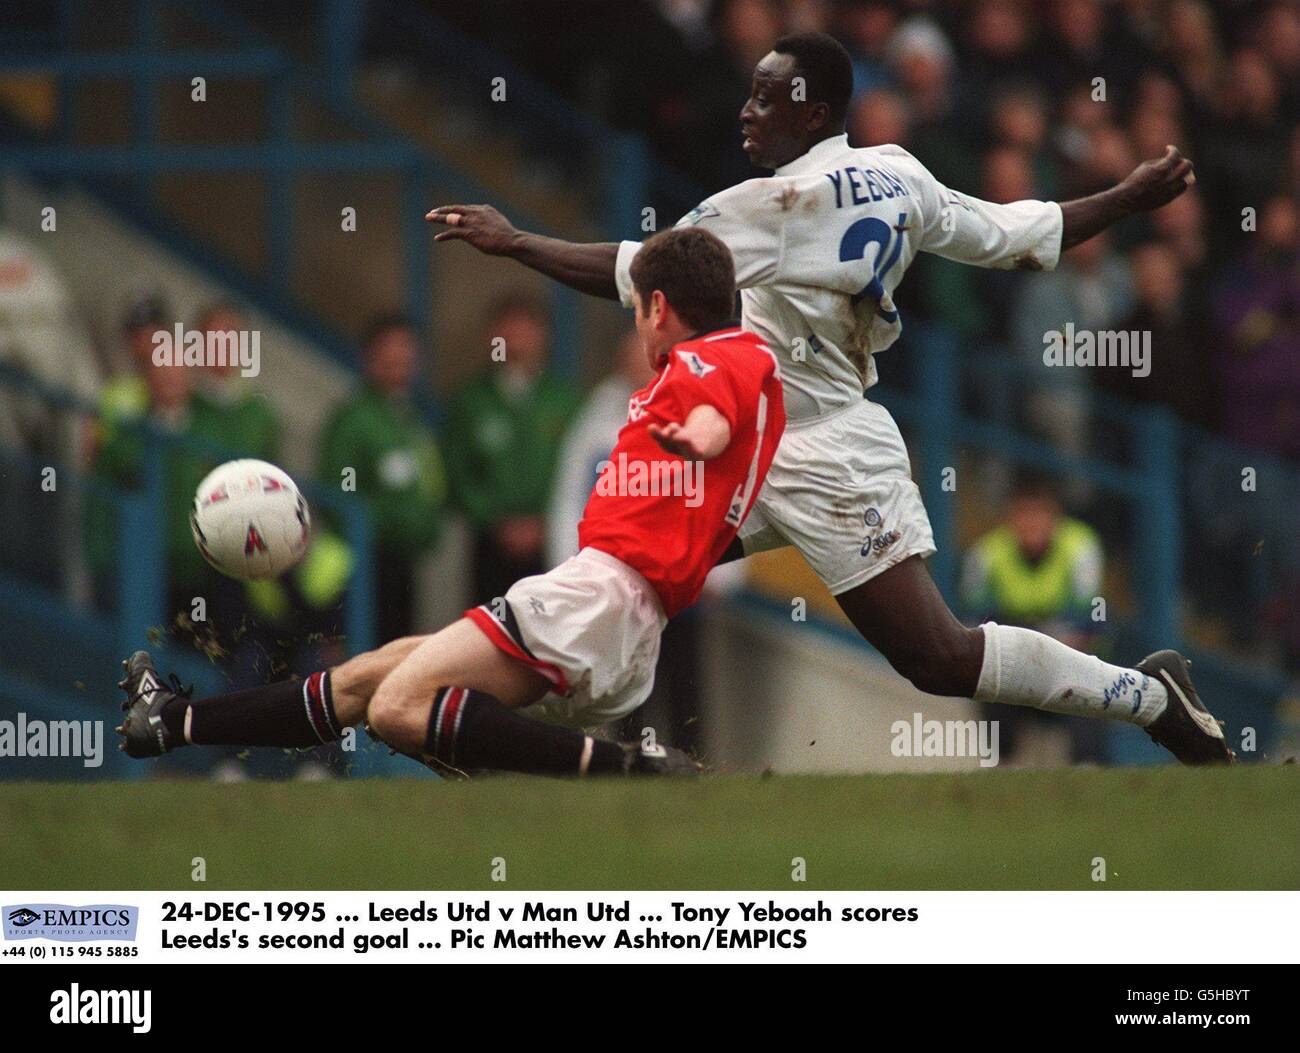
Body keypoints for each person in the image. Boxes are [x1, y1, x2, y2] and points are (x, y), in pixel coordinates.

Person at [425, 31, 1232, 764]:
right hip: (752, 442)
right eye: (749, 92)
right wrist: (1127, 197)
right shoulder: (900, 173)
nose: (746, 111)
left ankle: (1151, 697)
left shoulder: (766, 205)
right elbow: (1022, 239)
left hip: (829, 456)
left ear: (811, 111)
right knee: (621, 570)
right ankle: (466, 724)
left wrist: (516, 240)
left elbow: (634, 270)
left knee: (939, 658)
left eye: (765, 97)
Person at [116, 227, 785, 777]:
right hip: (610, 610)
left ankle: (631, 770)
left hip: (600, 596)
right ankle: (171, 721)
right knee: (368, 678)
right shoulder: (742, 367)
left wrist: (697, 439)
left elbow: (712, 417)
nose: (639, 328)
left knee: (397, 707)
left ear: (659, 307)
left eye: (638, 309)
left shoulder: (710, 362)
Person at [444, 294, 581, 605]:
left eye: (526, 331)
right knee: (489, 630)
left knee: (546, 629)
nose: (517, 341)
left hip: (552, 542)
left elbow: (576, 470)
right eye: (508, 332)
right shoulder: (472, 401)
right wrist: (495, 520)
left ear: (543, 337)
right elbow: (456, 470)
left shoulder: (564, 402)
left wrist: (544, 521)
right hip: (490, 543)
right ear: (492, 336)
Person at [961, 475, 1107, 765]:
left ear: (1055, 516)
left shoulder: (1080, 547)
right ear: (1010, 517)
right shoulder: (987, 554)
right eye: (1023, 514)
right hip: (1013, 658)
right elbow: (976, 621)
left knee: (1090, 671)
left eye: (1039, 514)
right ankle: (1002, 761)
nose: (1032, 524)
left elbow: (1089, 618)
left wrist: (1050, 646)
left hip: (1064, 654)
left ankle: (1088, 765)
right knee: (987, 672)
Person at [319, 313, 447, 642]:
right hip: (365, 565)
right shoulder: (355, 420)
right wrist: (382, 524)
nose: (399, 359)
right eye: (389, 350)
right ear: (370, 358)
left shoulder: (412, 419)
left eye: (406, 350)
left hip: (407, 562)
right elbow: (338, 493)